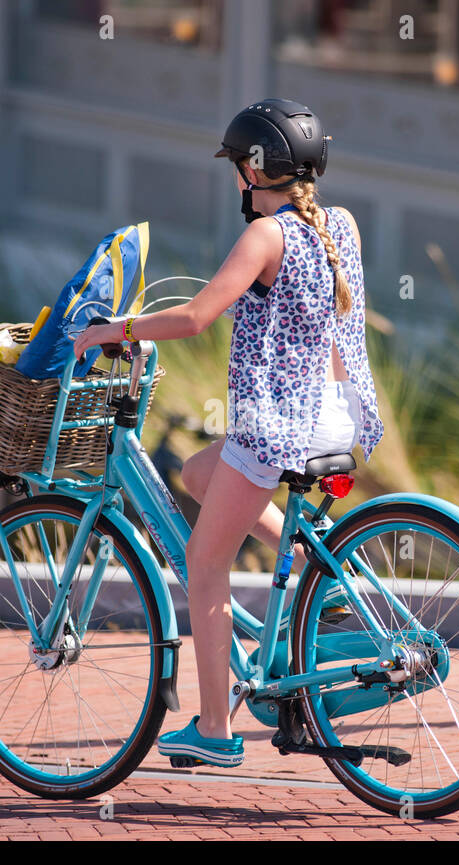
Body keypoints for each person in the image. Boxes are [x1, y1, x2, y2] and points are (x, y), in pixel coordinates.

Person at [71, 98, 384, 767]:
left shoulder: (264, 237)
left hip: (279, 425)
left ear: (255, 168)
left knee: (203, 565)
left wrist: (108, 331)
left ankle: (214, 731)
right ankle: (308, 562)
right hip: (332, 414)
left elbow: (192, 318)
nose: (236, 178)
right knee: (198, 474)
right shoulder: (341, 224)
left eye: (239, 165)